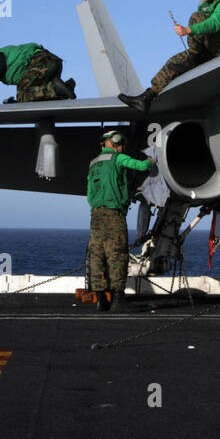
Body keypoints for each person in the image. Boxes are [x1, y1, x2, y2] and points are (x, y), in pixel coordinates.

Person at [118, 0, 220, 114]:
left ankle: (193, 56)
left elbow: (214, 24)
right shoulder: (206, 5)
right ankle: (146, 97)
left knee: (196, 17)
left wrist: (188, 30)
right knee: (173, 63)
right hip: (205, 49)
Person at [85, 130, 156, 312]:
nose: (123, 147)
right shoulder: (118, 158)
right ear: (115, 142)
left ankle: (102, 299)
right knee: (117, 255)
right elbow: (140, 166)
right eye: (121, 143)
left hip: (96, 216)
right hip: (114, 215)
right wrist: (151, 161)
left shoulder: (93, 163)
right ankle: (118, 299)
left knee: (98, 255)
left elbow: (90, 193)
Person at [0, 44, 75, 106]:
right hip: (51, 62)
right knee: (35, 95)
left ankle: (55, 88)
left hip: (40, 62)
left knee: (24, 96)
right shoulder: (5, 58)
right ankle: (66, 87)